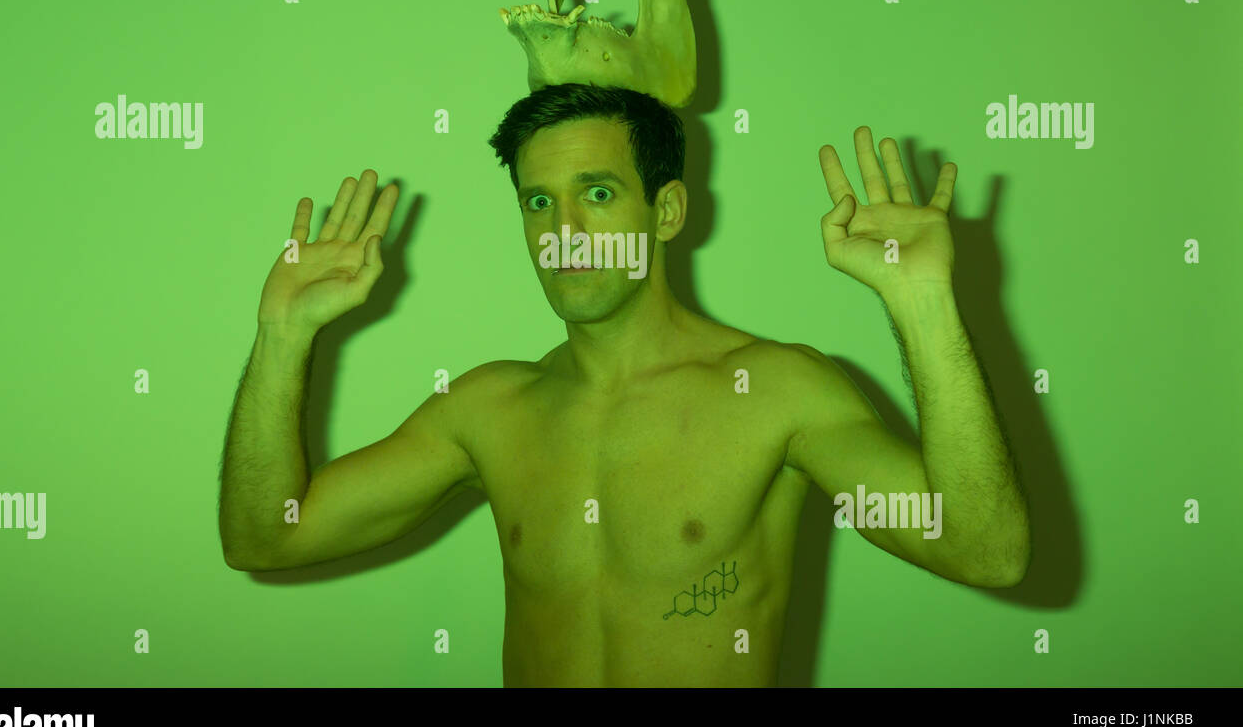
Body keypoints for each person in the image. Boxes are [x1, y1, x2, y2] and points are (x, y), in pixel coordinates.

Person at [219, 83, 1029, 686]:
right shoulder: (487, 409)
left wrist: (924, 307)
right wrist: (283, 335)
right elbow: (267, 536)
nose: (563, 232)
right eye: (539, 202)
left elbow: (984, 551)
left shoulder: (779, 393)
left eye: (597, 194)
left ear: (666, 211)